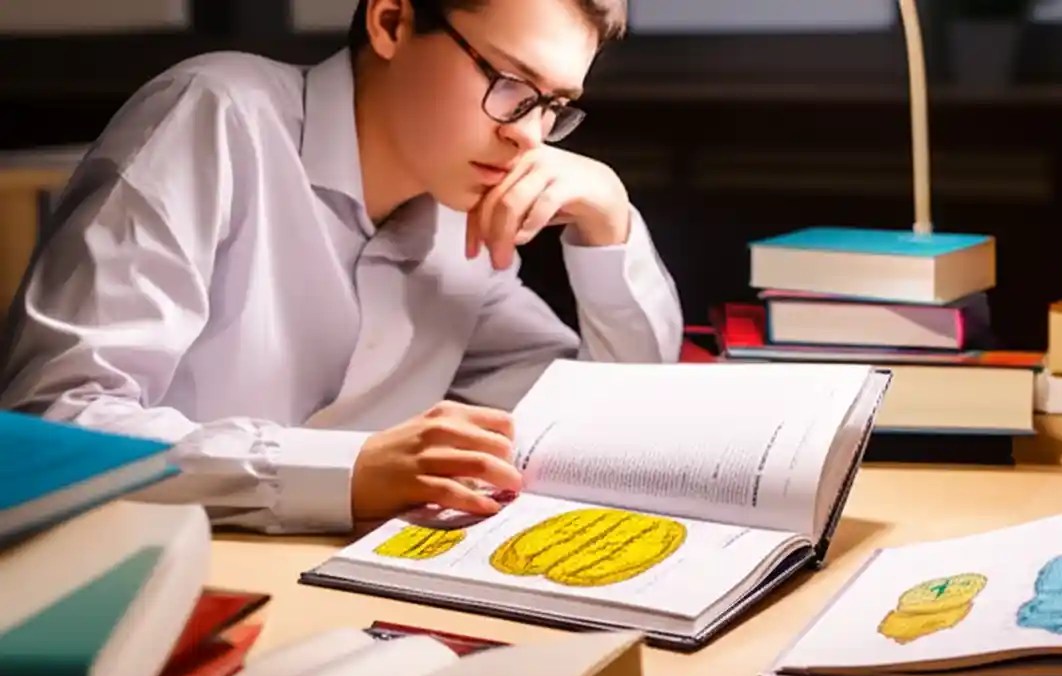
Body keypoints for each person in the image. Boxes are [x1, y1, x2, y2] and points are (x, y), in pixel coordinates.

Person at [0, 0, 682, 534]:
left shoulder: (458, 223)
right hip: (138, 578)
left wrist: (608, 224)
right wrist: (348, 471)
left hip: (339, 589)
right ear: (392, 21)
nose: (526, 135)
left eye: (553, 106)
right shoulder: (218, 115)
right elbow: (59, 425)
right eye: (510, 84)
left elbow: (608, 426)